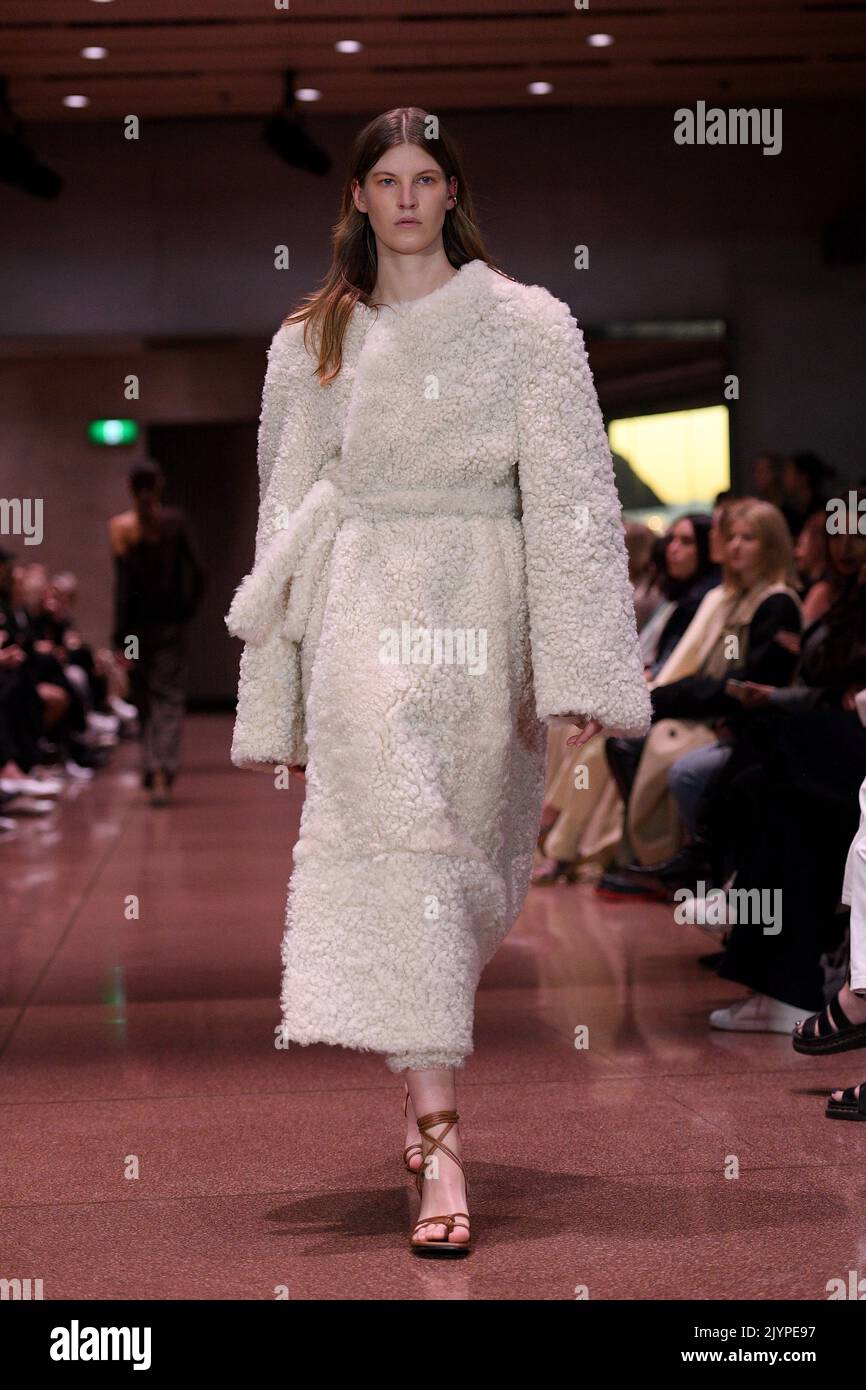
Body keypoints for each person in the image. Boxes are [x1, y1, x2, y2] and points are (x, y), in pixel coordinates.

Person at [223, 107, 651, 1254]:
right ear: (357, 198)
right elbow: (286, 516)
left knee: (463, 865)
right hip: (365, 597)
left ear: (449, 190)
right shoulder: (314, 338)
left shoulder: (526, 327)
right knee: (407, 845)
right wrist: (277, 691)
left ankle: (421, 1068)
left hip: (483, 610)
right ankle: (441, 1136)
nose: (405, 196)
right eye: (385, 178)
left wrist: (578, 669)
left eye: (425, 176)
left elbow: (569, 503)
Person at [108, 460, 205, 805]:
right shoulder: (176, 523)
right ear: (160, 484)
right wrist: (187, 610)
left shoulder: (120, 527)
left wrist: (119, 637)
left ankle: (152, 762)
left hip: (135, 631)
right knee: (168, 696)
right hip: (169, 626)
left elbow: (123, 588)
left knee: (143, 694)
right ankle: (162, 766)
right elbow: (199, 571)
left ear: (128, 486)